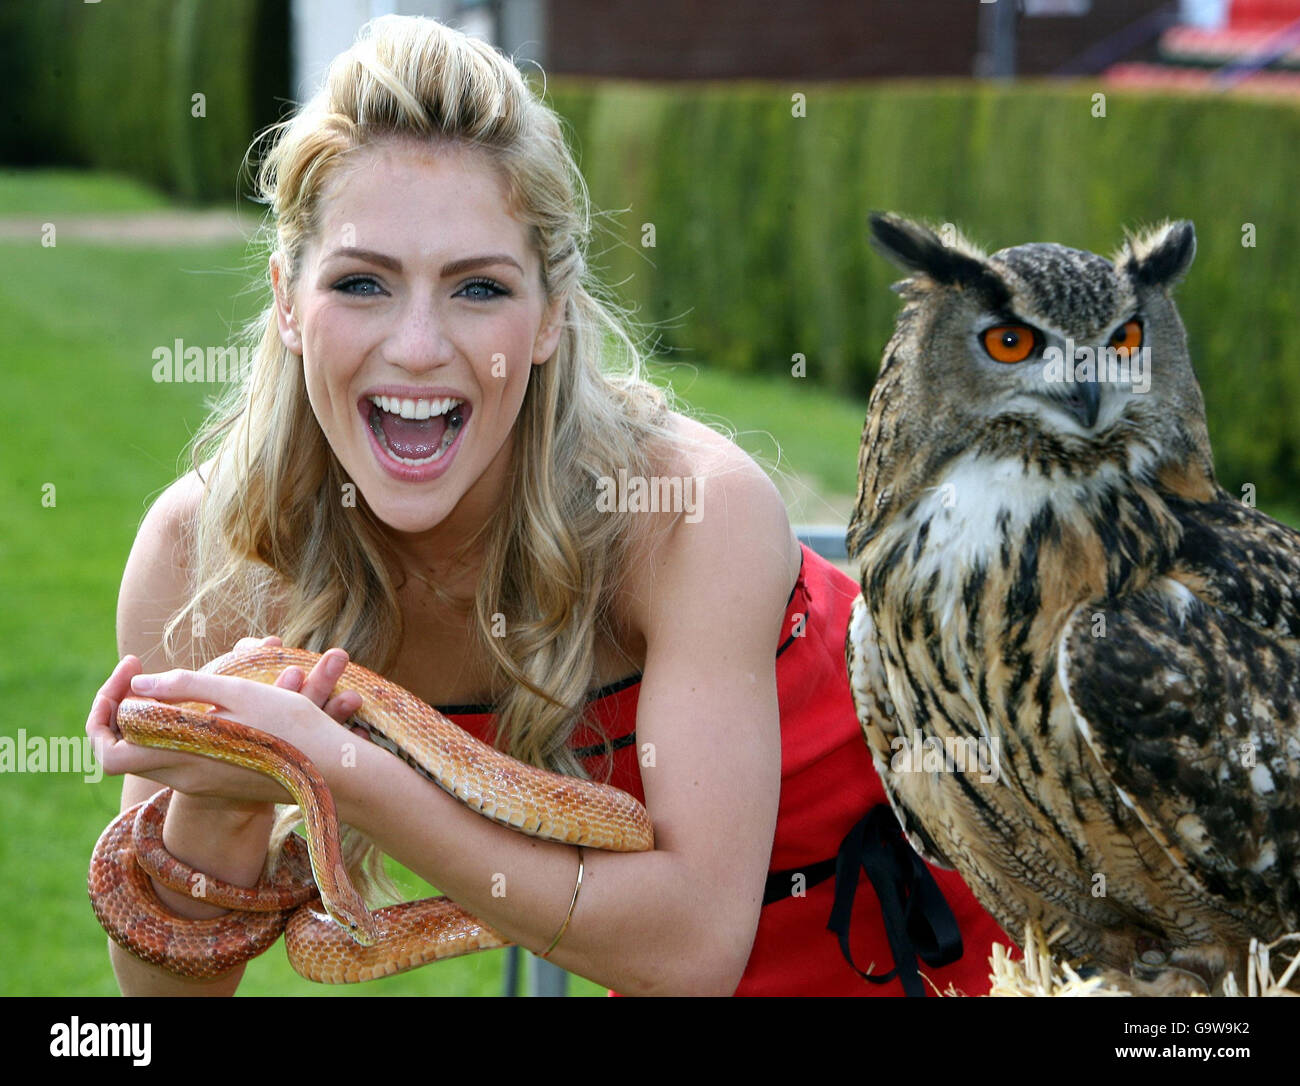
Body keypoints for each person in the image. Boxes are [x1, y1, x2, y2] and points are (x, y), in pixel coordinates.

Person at [85, 14, 1007, 996]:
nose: (416, 346)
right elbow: (156, 1006)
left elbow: (693, 947)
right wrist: (220, 806)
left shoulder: (692, 510)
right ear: (285, 298)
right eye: (361, 283)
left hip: (944, 938)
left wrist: (336, 771)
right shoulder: (204, 555)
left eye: (478, 288)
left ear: (549, 318)